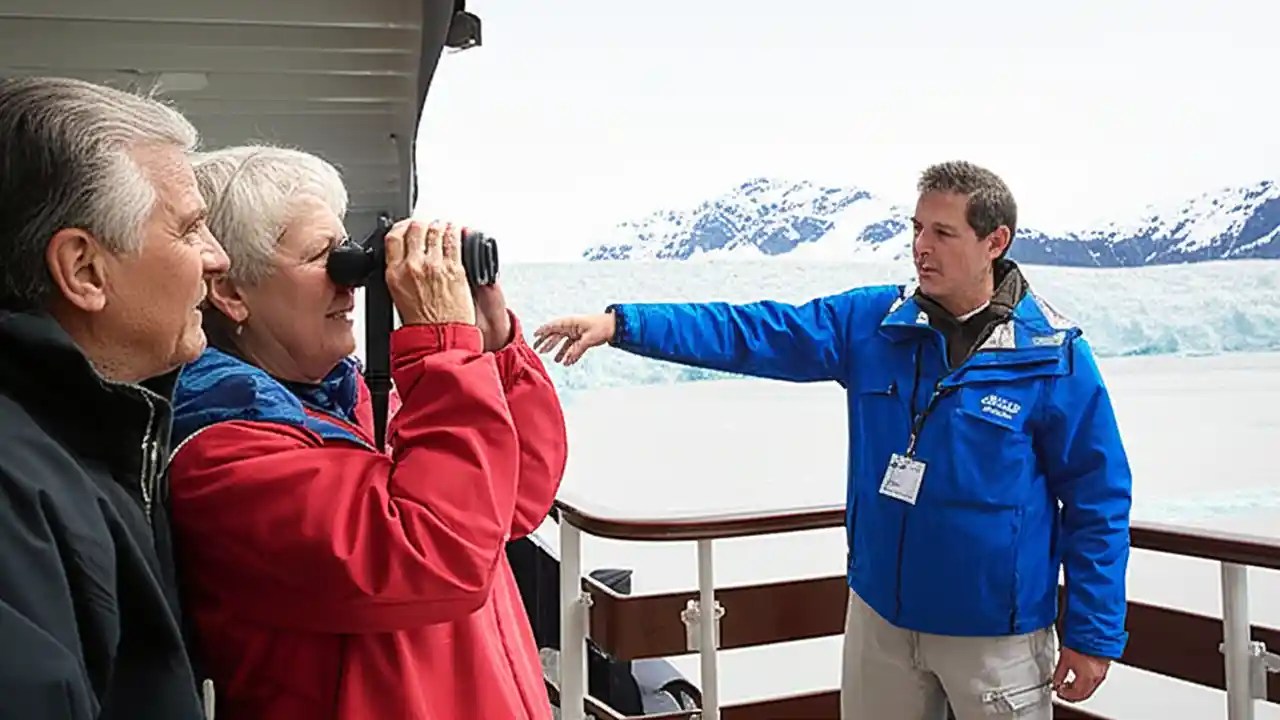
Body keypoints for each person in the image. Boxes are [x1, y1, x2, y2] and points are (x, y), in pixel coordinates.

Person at [533, 160, 1132, 720]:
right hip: (881, 620)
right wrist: (622, 325)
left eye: (944, 233)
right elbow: (752, 331)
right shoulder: (873, 325)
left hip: (994, 636)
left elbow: (1098, 501)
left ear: (994, 242)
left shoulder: (1052, 359)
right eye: (917, 227)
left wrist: (1092, 635)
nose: (922, 246)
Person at [165, 144, 568, 720]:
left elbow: (516, 500)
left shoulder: (350, 400)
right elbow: (436, 559)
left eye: (348, 255)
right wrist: (441, 355)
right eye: (323, 259)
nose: (351, 283)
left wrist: (493, 348)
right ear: (230, 291)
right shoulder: (221, 455)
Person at [0, 76, 230, 719]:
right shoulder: (21, 492)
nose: (216, 258)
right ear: (83, 270)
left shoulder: (90, 438)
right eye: (190, 230)